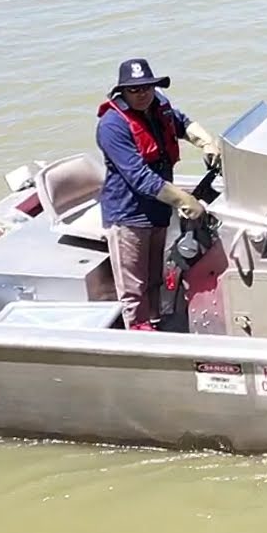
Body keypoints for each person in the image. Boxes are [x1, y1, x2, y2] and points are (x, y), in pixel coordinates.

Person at [95, 58, 219, 331]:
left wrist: (206, 142)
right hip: (128, 215)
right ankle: (138, 331)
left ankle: (155, 321)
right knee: (133, 285)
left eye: (147, 88)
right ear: (123, 92)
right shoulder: (112, 126)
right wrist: (185, 200)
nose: (142, 95)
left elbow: (181, 122)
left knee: (154, 276)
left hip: (159, 210)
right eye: (135, 90)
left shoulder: (158, 107)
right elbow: (139, 177)